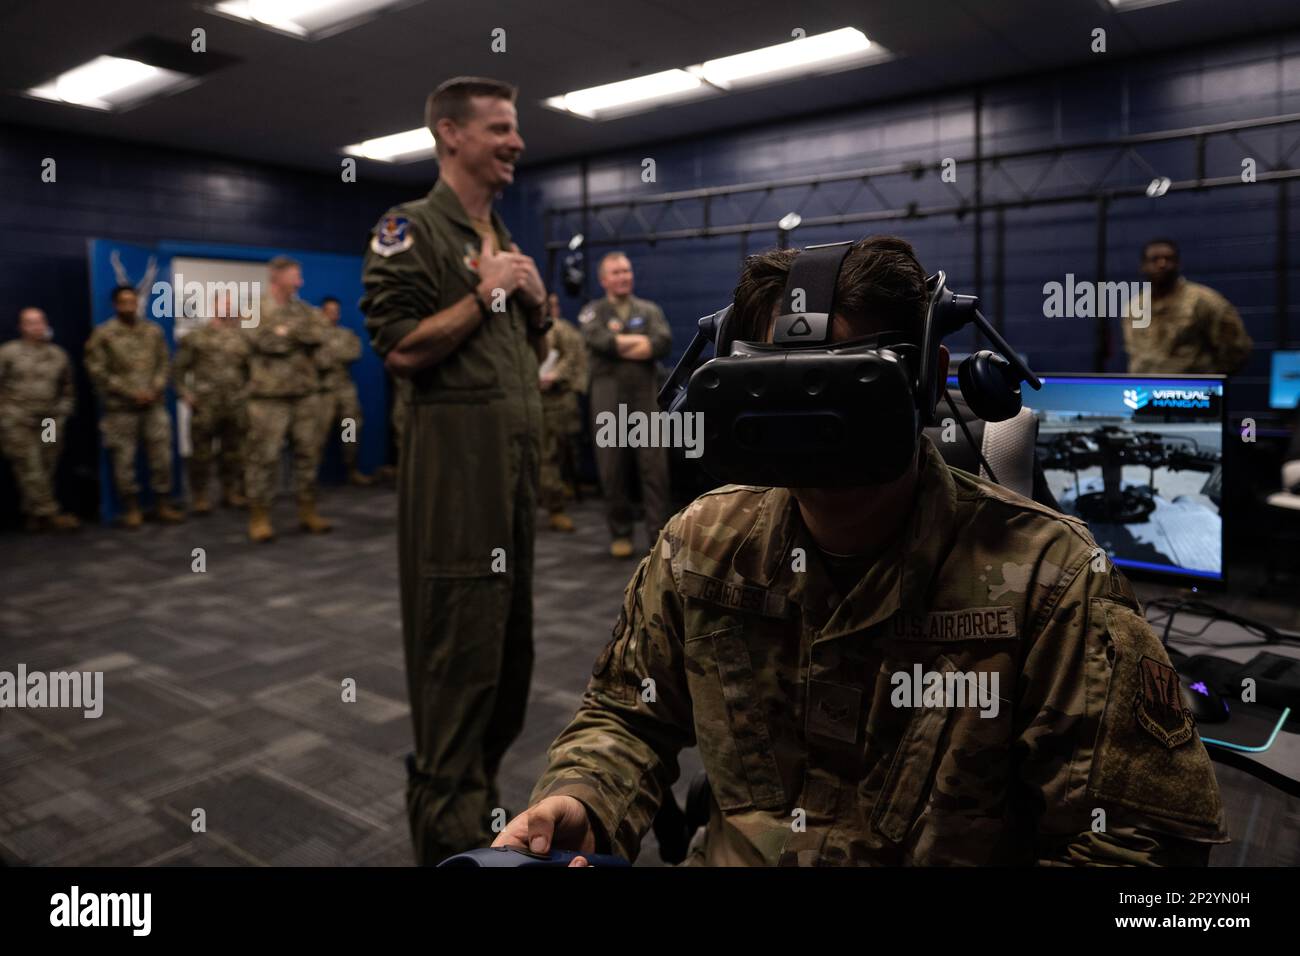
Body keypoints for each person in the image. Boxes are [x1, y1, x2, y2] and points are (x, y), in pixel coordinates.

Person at [495, 236, 1227, 866]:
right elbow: (630, 714)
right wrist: (581, 798)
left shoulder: (1049, 579)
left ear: (929, 374)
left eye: (842, 379)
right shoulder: (700, 544)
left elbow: (1140, 840)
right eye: (774, 383)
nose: (811, 420)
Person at [360, 75, 549, 865]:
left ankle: (476, 814)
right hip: (455, 493)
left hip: (510, 489)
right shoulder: (411, 229)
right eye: (501, 128)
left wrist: (535, 304)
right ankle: (446, 837)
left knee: (507, 666)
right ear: (451, 133)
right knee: (456, 668)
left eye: (516, 128)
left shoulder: (498, 232)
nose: (516, 141)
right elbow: (400, 347)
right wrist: (487, 294)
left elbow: (524, 360)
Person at [579, 252, 673, 558]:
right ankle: (620, 532)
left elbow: (661, 342)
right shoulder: (593, 312)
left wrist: (624, 345)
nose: (623, 276)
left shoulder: (650, 309)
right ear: (604, 279)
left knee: (654, 467)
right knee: (611, 466)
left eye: (626, 271)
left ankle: (658, 534)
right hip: (607, 394)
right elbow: (600, 342)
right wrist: (638, 344)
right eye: (616, 272)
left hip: (645, 393)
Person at [244, 257, 331, 542]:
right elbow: (261, 341)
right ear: (276, 276)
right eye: (296, 276)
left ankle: (307, 511)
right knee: (265, 457)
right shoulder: (254, 307)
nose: (301, 281)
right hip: (268, 397)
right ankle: (260, 516)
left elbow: (320, 334)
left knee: (308, 454)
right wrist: (296, 337)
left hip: (305, 394)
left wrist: (286, 332)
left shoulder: (306, 310)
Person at [84, 286, 184, 527]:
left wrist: (156, 388)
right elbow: (97, 370)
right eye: (124, 302)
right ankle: (131, 508)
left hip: (153, 406)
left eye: (133, 301)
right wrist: (130, 393)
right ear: (116, 305)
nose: (130, 306)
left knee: (162, 457)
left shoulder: (153, 331)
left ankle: (162, 504)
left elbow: (164, 363)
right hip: (121, 409)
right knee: (124, 460)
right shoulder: (103, 334)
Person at [0, 307, 79, 530]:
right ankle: (50, 514)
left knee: (46, 466)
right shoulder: (8, 353)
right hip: (18, 420)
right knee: (30, 467)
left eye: (40, 321)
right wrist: (5, 413)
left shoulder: (58, 354)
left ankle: (35, 516)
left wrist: (63, 412)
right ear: (21, 327)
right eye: (30, 322)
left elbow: (68, 389)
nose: (36, 326)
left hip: (49, 420)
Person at [1123, 238, 1252, 374]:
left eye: (1168, 259)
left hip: (1191, 391)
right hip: (1143, 390)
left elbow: (1237, 348)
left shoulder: (1204, 301)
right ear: (1143, 266)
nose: (1162, 264)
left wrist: (1209, 383)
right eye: (1155, 259)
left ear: (1178, 264)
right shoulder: (1135, 305)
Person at [174, 290, 251, 513]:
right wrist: (185, 394)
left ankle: (230, 491)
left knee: (233, 452)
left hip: (235, 406)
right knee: (200, 454)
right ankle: (200, 496)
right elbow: (178, 369)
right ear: (214, 306)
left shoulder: (242, 337)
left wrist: (247, 393)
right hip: (204, 405)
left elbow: (251, 371)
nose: (228, 309)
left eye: (231, 304)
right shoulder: (197, 337)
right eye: (223, 304)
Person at [539, 292, 588, 532]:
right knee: (547, 456)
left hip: (559, 398)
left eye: (556, 304)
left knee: (564, 450)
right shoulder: (537, 329)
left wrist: (555, 376)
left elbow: (574, 358)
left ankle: (562, 491)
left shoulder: (562, 329)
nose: (553, 308)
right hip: (536, 399)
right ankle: (554, 505)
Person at [315, 296, 372, 486]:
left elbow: (354, 353)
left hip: (345, 392)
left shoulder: (346, 334)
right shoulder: (313, 335)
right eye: (329, 311)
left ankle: (351, 469)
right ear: (322, 312)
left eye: (336, 311)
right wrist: (334, 356)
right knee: (318, 434)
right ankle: (310, 478)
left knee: (350, 429)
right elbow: (315, 361)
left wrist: (328, 356)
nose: (333, 315)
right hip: (322, 392)